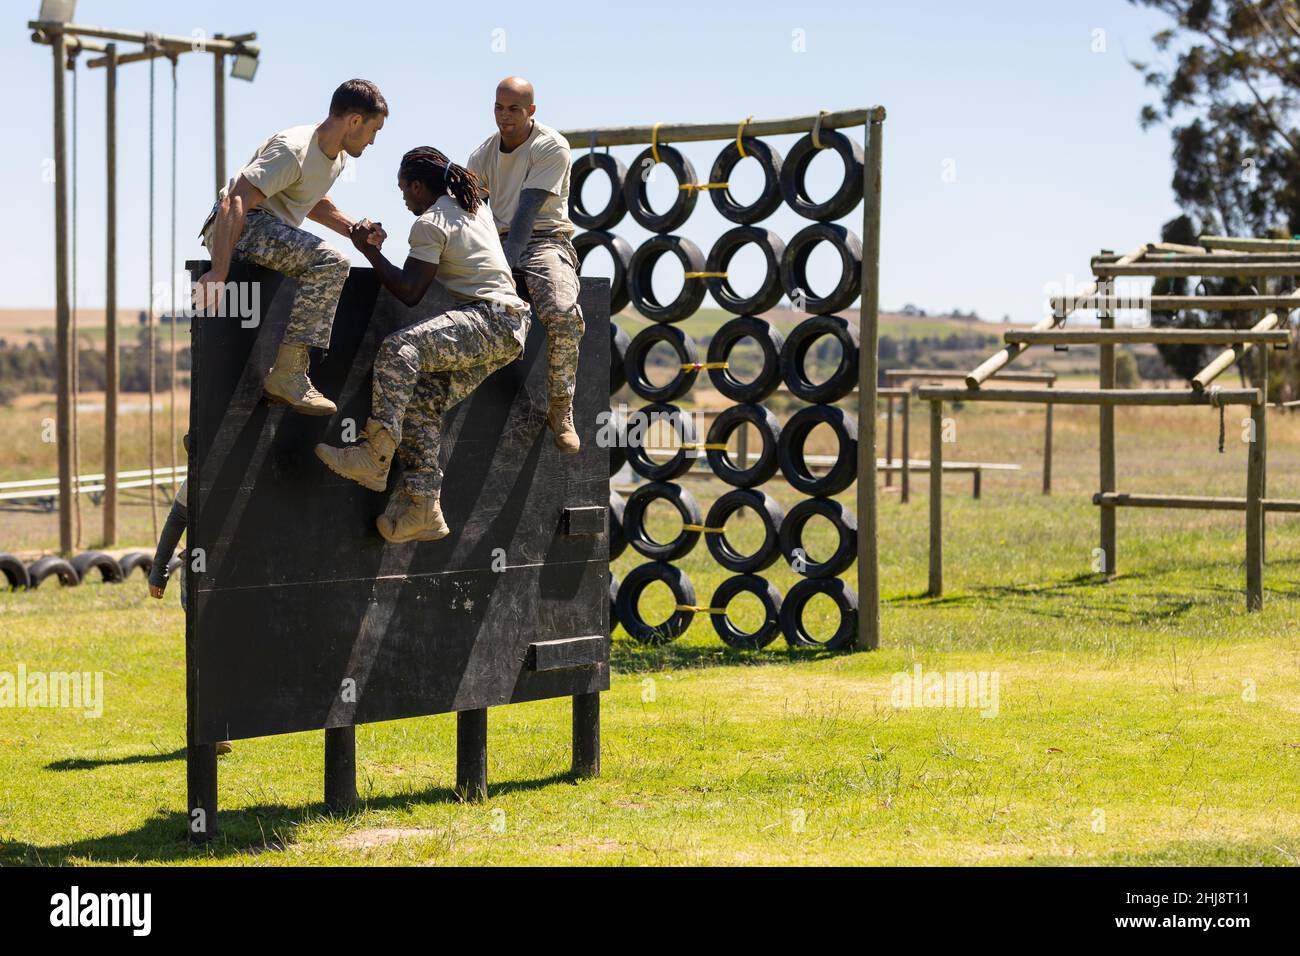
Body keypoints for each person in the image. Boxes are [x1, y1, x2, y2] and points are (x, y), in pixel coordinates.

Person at [314, 146, 531, 543]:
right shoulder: (471, 204)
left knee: (400, 349)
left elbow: (411, 291)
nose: (402, 199)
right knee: (420, 405)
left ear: (418, 186)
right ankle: (423, 507)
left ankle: (374, 455)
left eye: (403, 190)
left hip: (492, 319)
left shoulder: (431, 222)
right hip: (510, 328)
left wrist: (370, 252)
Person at [192, 79, 389, 416]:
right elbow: (235, 200)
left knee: (255, 329)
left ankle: (209, 424)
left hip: (267, 230)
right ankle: (289, 373)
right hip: (241, 226)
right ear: (355, 121)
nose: (373, 141)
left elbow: (309, 200)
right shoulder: (293, 148)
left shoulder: (337, 157)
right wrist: (219, 270)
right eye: (374, 130)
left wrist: (352, 229)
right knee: (329, 262)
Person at [467, 76, 582, 453]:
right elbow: (469, 210)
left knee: (564, 313)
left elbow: (527, 215)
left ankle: (561, 407)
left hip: (544, 240)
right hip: (496, 241)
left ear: (531, 111)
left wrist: (502, 273)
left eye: (514, 109)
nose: (505, 116)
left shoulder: (550, 147)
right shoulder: (482, 155)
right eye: (499, 107)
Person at [147, 436, 231, 755]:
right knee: (207, 651)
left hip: (236, 577)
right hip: (199, 577)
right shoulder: (194, 482)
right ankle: (214, 730)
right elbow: (174, 524)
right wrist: (159, 571)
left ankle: (223, 725)